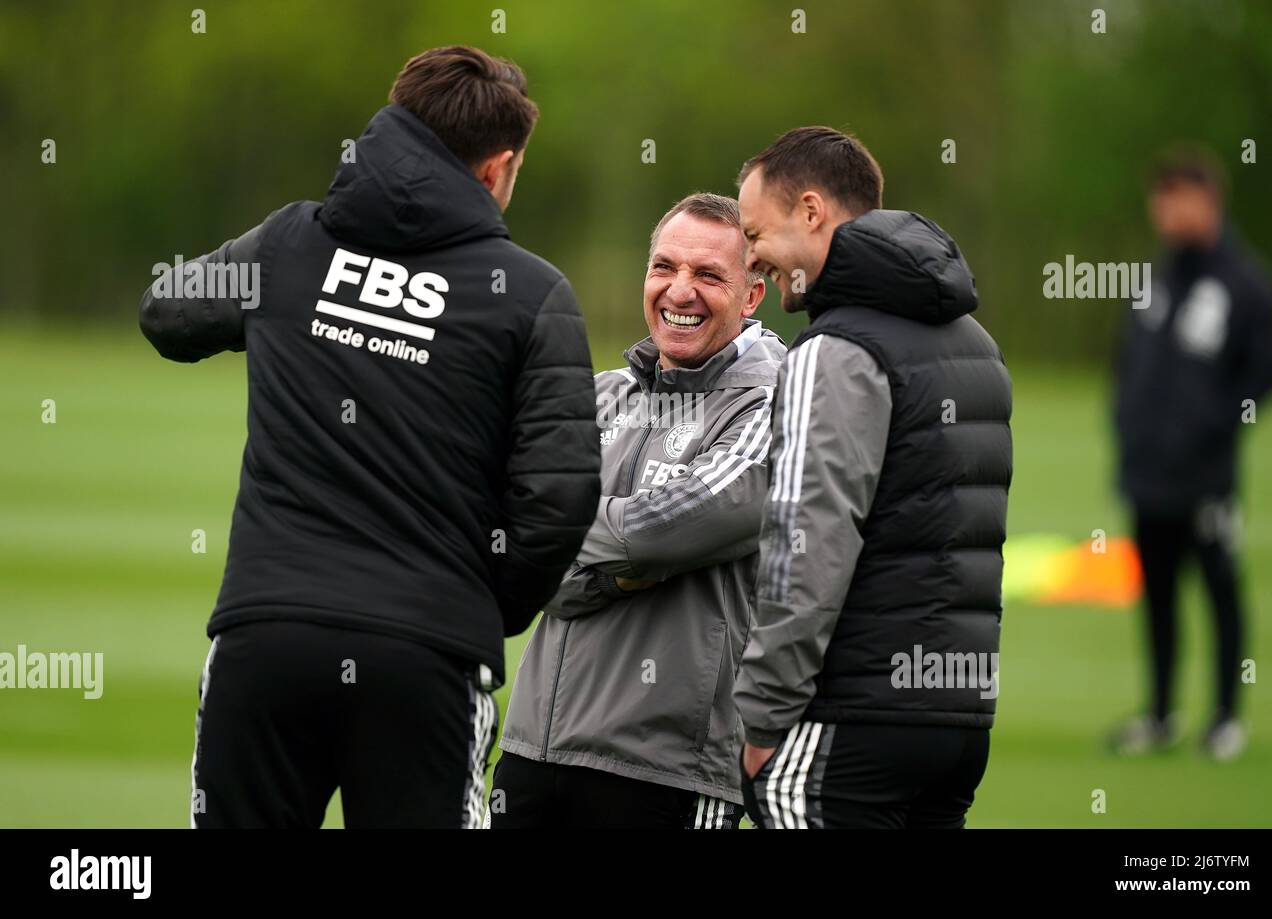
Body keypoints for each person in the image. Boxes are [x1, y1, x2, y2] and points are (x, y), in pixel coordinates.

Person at [138, 46, 600, 827]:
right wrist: (480, 602)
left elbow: (168, 311)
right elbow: (559, 496)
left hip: (266, 634)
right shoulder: (530, 292)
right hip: (424, 657)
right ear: (496, 169)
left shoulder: (292, 243)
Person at [733, 126, 1012, 829]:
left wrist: (763, 716)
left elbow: (807, 542)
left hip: (855, 715)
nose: (751, 261)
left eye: (755, 233)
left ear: (812, 211)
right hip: (959, 717)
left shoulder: (834, 347)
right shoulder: (974, 340)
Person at [492, 193, 786, 829]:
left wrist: (564, 545)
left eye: (709, 275)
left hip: (668, 770)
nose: (680, 292)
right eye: (664, 268)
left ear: (752, 295)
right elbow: (505, 531)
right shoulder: (599, 395)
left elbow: (670, 528)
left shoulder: (776, 405)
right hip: (534, 748)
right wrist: (614, 572)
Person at [1109, 149, 1272, 761]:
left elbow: (1267, 370)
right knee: (1156, 594)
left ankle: (1225, 719)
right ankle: (1160, 716)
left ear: (1207, 201)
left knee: (1219, 589)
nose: (1165, 210)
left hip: (1207, 476)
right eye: (1160, 197)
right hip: (1148, 472)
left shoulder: (1244, 283)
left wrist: (1215, 425)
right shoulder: (1155, 279)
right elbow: (1130, 363)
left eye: (1175, 196)